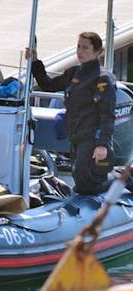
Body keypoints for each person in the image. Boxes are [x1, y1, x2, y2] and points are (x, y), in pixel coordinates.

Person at [27, 32, 116, 195]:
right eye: (78, 47)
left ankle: (119, 178)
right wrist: (34, 61)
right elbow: (48, 85)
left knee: (86, 183)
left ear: (97, 52)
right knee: (79, 178)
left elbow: (107, 114)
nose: (80, 51)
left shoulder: (103, 79)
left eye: (85, 48)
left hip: (91, 137)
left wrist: (102, 143)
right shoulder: (73, 72)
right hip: (75, 134)